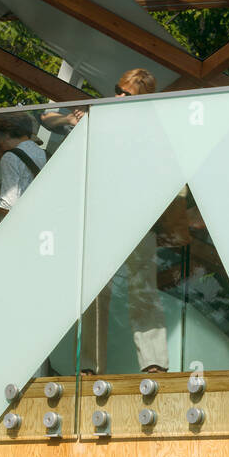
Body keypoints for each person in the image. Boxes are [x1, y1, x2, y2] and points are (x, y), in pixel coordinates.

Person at [80, 69, 170, 375]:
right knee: (94, 293)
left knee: (143, 291)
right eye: (117, 89)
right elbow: (49, 118)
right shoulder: (101, 123)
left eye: (126, 93)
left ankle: (154, 362)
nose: (117, 96)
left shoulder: (154, 133)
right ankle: (90, 367)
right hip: (103, 218)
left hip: (139, 219)